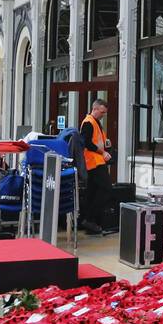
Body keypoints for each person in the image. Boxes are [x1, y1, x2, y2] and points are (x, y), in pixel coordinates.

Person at [70, 99, 111, 236]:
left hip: (96, 161)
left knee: (92, 191)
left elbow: (96, 140)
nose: (103, 115)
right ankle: (90, 219)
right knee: (105, 189)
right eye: (102, 112)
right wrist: (102, 152)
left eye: (104, 113)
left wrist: (106, 147)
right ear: (95, 109)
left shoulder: (95, 122)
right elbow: (86, 142)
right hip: (94, 161)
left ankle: (88, 221)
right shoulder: (89, 122)